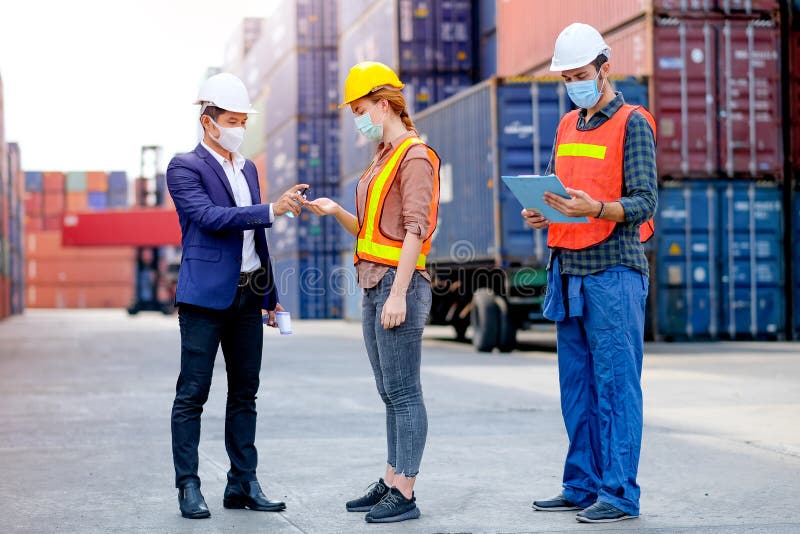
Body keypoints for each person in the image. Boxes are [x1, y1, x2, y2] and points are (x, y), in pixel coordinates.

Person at [522, 23, 657, 524]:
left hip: (614, 273)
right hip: (567, 270)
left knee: (617, 387)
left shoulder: (633, 123)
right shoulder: (565, 125)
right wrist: (544, 211)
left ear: (605, 68)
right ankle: (581, 484)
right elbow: (562, 193)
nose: (573, 84)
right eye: (567, 77)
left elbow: (645, 202)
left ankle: (619, 492)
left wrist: (596, 207)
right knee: (577, 389)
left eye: (580, 75)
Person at [166, 72, 309, 519]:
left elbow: (255, 240)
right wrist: (271, 210)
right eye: (232, 119)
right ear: (208, 122)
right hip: (204, 299)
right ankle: (189, 486)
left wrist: (271, 295)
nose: (240, 128)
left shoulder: (247, 167)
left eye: (244, 120)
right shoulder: (184, 166)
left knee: (245, 393)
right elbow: (209, 217)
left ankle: (242, 483)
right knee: (193, 392)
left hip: (249, 295)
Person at [304, 61, 440, 524]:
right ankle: (391, 477)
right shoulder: (382, 157)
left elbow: (415, 232)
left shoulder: (416, 156)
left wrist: (399, 293)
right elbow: (368, 230)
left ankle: (406, 491)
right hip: (371, 282)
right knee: (388, 391)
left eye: (360, 109)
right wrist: (336, 210)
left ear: (384, 106)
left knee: (404, 391)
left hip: (396, 286)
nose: (357, 119)